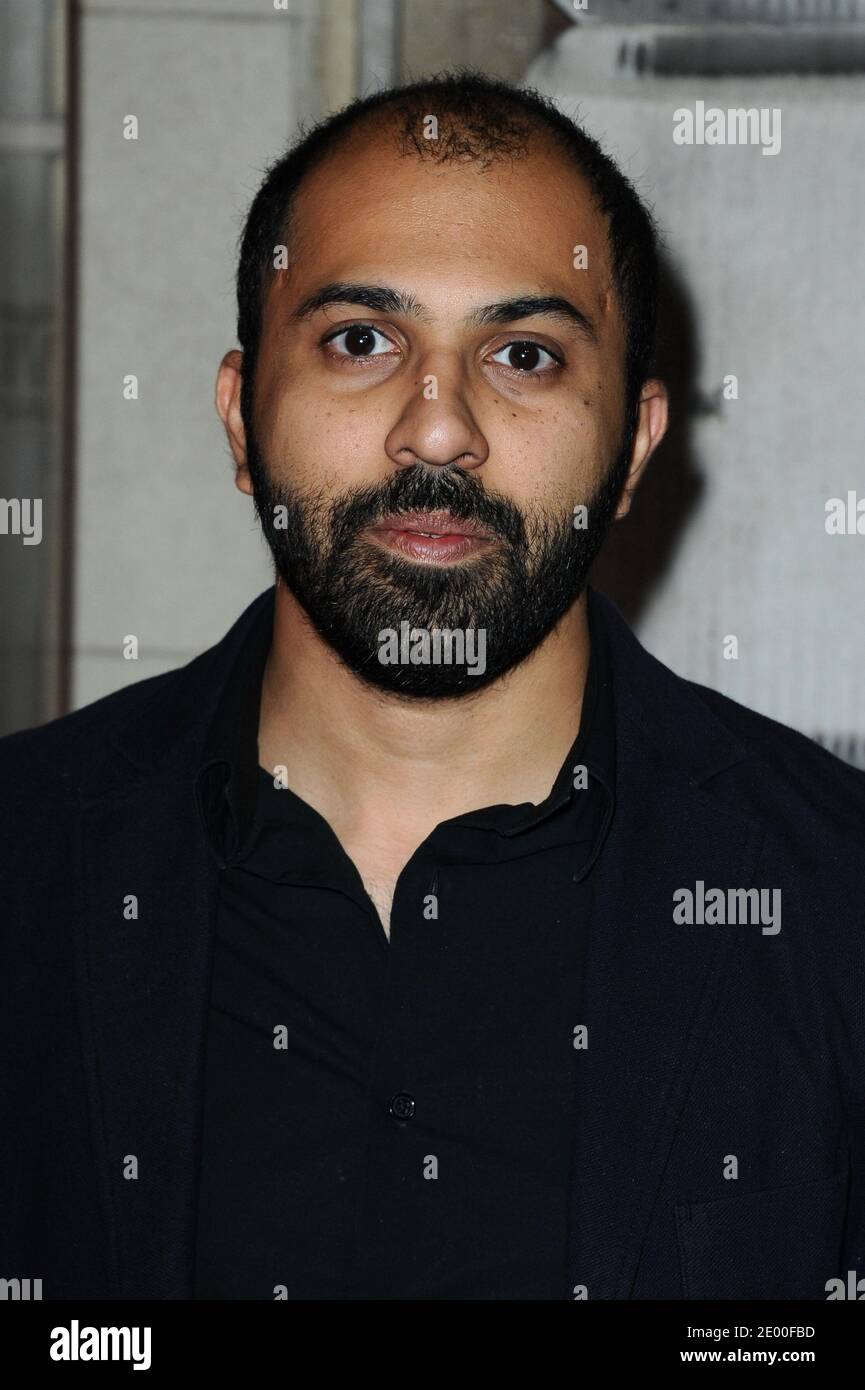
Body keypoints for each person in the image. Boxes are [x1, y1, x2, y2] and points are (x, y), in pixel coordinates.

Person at [1, 71, 863, 1302]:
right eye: (361, 339)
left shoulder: (833, 902)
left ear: (632, 448)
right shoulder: (26, 859)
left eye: (523, 353)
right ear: (243, 419)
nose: (439, 427)